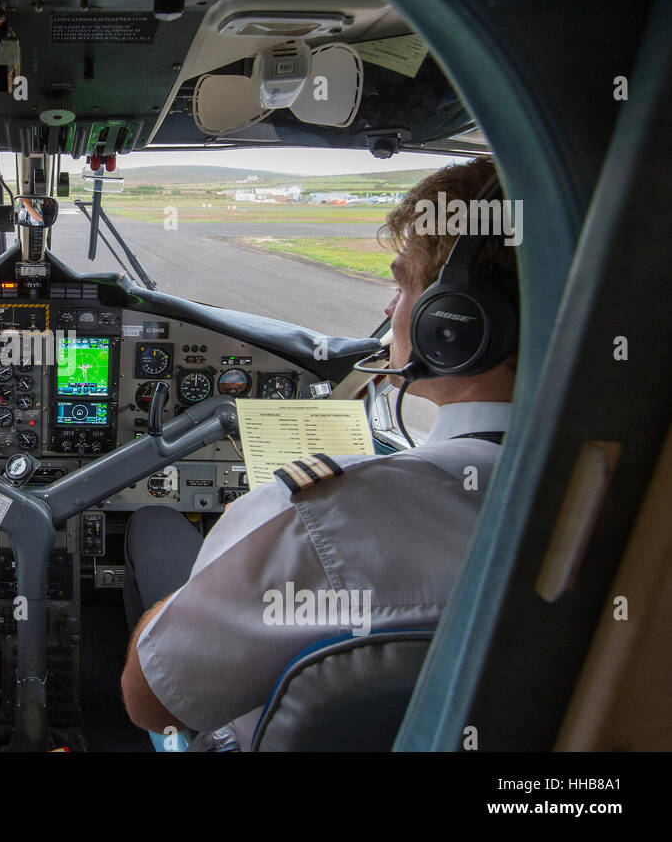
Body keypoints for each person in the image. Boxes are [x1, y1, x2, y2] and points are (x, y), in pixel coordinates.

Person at [119, 157, 517, 745]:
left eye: (402, 283)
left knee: (153, 525)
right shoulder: (643, 522)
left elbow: (149, 703)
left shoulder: (319, 513)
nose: (389, 309)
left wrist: (223, 557)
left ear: (454, 322)